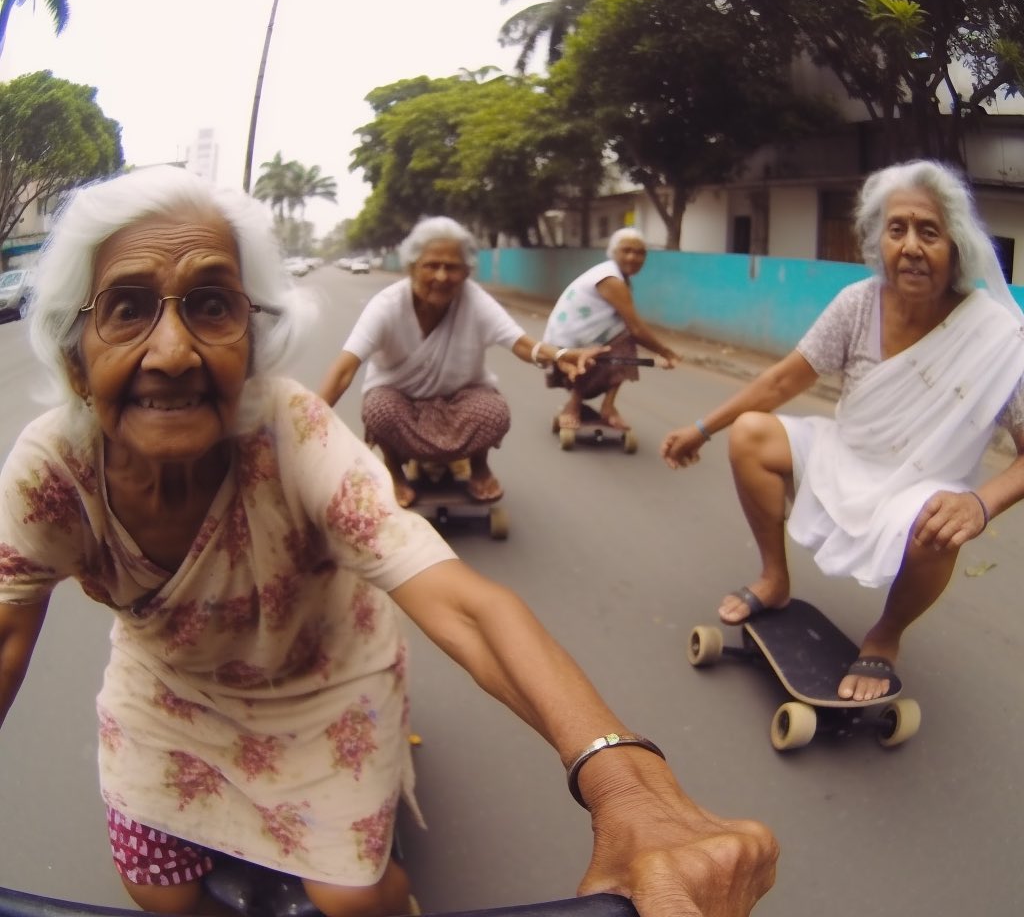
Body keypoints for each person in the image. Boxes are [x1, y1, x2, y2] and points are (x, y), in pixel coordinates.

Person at [0, 167, 778, 917]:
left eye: (211, 306)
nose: (172, 354)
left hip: (323, 677)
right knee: (159, 891)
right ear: (74, 349)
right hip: (171, 694)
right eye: (127, 310)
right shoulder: (52, 471)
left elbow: (462, 599)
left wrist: (627, 782)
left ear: (252, 339)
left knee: (357, 898)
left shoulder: (287, 427)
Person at [660, 159, 1024, 702]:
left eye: (929, 231)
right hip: (843, 452)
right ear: (878, 240)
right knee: (752, 434)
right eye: (895, 229)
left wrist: (979, 504)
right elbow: (783, 380)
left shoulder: (997, 338)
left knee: (941, 520)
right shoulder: (857, 303)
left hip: (919, 484)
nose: (910, 246)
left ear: (959, 245)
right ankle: (774, 578)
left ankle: (885, 635)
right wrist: (702, 427)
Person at [319, 216, 601, 508]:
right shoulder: (386, 305)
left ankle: (479, 465)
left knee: (493, 410)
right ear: (412, 267)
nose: (442, 276)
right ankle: (393, 468)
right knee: (378, 408)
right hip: (401, 401)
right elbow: (344, 369)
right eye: (432, 265)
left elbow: (519, 342)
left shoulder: (475, 300)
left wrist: (558, 355)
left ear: (466, 272)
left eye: (452, 267)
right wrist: (308, 420)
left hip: (460, 399)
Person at [542, 228, 682, 431]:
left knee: (622, 339)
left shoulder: (614, 275)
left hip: (573, 342)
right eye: (626, 250)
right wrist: (667, 353)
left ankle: (608, 407)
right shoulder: (611, 280)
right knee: (625, 338)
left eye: (640, 252)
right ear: (613, 252)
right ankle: (573, 406)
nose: (633, 257)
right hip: (564, 351)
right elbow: (636, 329)